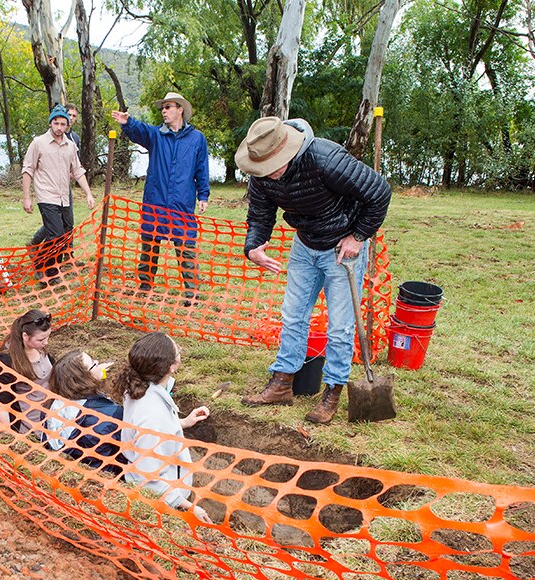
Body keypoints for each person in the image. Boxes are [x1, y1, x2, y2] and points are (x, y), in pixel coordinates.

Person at [235, 117, 392, 425]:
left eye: (273, 166)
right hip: (305, 245)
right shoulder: (261, 172)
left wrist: (358, 235)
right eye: (263, 169)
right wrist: (253, 246)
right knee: (292, 315)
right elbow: (260, 212)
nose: (268, 174)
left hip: (341, 250)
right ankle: (281, 383)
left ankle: (332, 391)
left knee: (340, 327)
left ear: (288, 152)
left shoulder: (325, 158)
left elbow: (379, 192)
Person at [111, 92, 210, 304]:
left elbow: (202, 169)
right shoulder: (156, 135)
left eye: (168, 107)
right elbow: (140, 130)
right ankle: (145, 286)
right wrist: (128, 123)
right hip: (155, 200)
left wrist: (203, 195)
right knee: (149, 245)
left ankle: (191, 294)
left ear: (180, 109)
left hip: (182, 203)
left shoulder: (197, 139)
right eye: (162, 108)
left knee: (186, 248)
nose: (164, 111)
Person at [116, 332, 213, 523]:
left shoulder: (139, 388)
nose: (179, 349)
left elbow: (150, 432)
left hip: (163, 490)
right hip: (162, 503)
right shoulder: (152, 415)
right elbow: (150, 478)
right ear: (172, 366)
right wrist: (190, 507)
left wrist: (182, 423)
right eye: (177, 349)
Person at [22, 105, 95, 286]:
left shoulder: (70, 146)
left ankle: (50, 268)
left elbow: (77, 170)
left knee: (64, 235)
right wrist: (26, 197)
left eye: (63, 124)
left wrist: (88, 193)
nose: (59, 127)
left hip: (64, 196)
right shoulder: (38, 143)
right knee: (55, 234)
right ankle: (45, 269)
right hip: (46, 195)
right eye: (56, 123)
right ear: (50, 123)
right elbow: (28, 169)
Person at [45, 349, 122, 470]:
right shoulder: (109, 414)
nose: (97, 362)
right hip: (110, 473)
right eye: (93, 363)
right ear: (85, 379)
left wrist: (96, 372)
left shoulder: (52, 406)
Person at [0, 309, 54, 433]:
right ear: (25, 336)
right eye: (41, 340)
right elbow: (1, 402)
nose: (46, 343)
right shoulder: (7, 360)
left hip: (54, 412)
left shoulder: (40, 349)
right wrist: (8, 436)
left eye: (47, 337)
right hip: (32, 425)